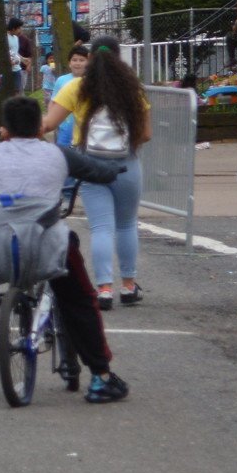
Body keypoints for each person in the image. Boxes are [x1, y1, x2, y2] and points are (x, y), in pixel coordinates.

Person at [0, 95, 130, 403]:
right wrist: (116, 170)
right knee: (80, 300)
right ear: (40, 127)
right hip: (47, 243)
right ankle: (101, 377)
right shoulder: (58, 154)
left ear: (4, 130)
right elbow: (100, 172)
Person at [42, 36, 150, 308]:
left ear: (90, 59)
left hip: (90, 164)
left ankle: (103, 289)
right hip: (126, 164)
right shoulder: (132, 89)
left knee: (101, 227)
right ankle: (127, 285)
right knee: (126, 225)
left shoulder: (77, 87)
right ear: (118, 58)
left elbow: (48, 123)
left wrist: (14, 129)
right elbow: (146, 133)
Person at [50, 45, 90, 147]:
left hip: (85, 131)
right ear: (69, 63)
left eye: (82, 60)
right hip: (65, 130)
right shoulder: (61, 80)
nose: (77, 63)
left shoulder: (91, 82)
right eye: (74, 60)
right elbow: (53, 101)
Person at [8, 16, 38, 91]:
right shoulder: (5, 37)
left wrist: (23, 59)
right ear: (14, 28)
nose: (20, 30)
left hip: (17, 68)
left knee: (18, 91)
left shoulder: (16, 38)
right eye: (19, 28)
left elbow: (15, 52)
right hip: (8, 69)